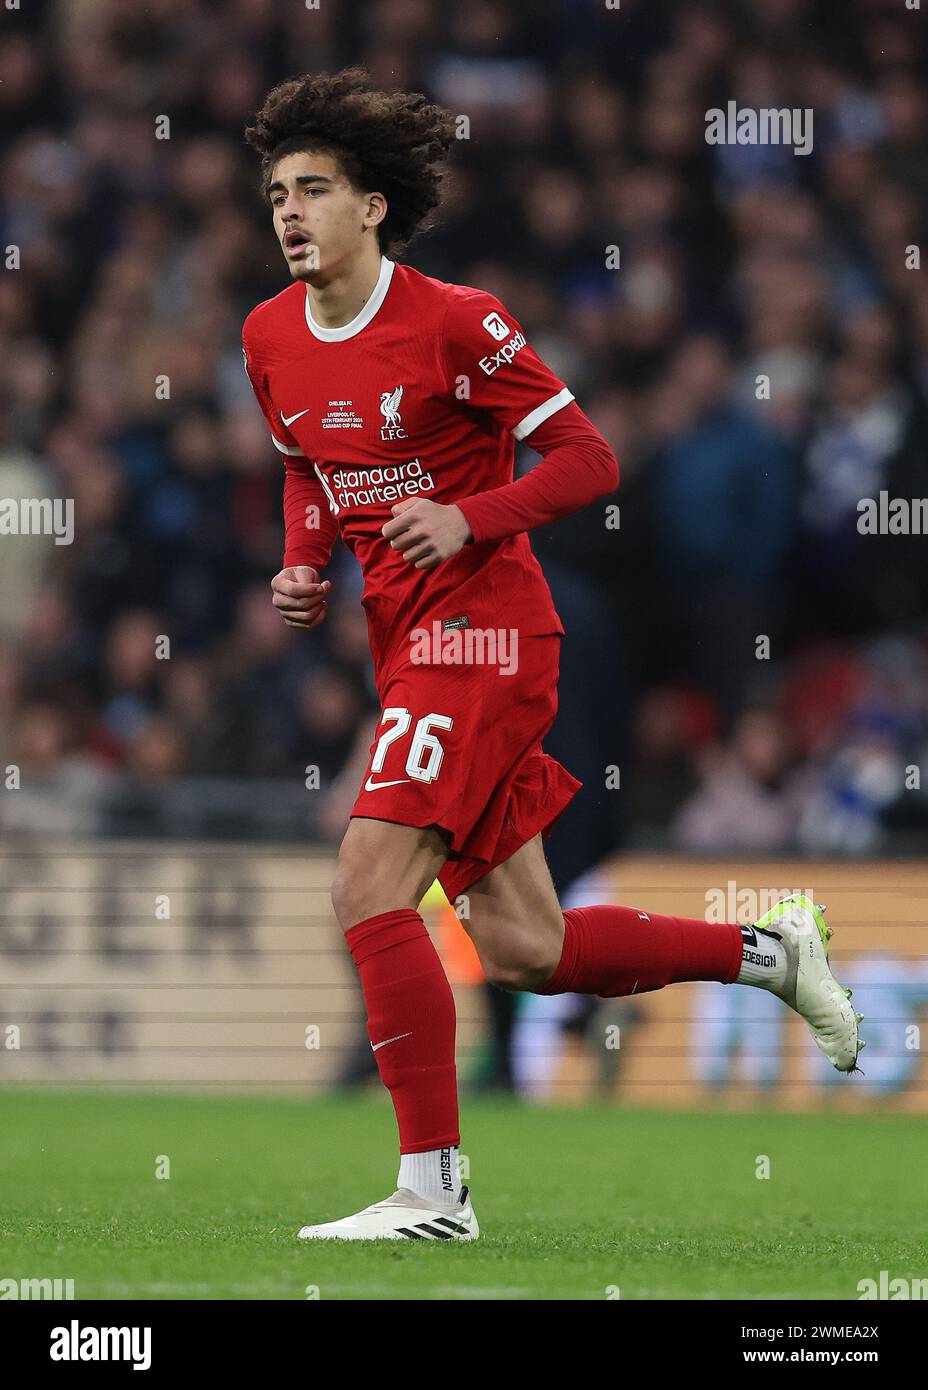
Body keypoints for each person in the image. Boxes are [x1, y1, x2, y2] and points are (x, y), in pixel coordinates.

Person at [241, 67, 863, 1242]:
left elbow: (588, 458)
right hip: (405, 643)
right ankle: (773, 954)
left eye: (313, 189)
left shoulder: (455, 321)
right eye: (276, 191)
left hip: (485, 633)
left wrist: (470, 516)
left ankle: (432, 1189)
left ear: (371, 206)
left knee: (367, 882)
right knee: (527, 945)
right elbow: (303, 466)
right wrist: (307, 564)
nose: (288, 212)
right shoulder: (269, 335)